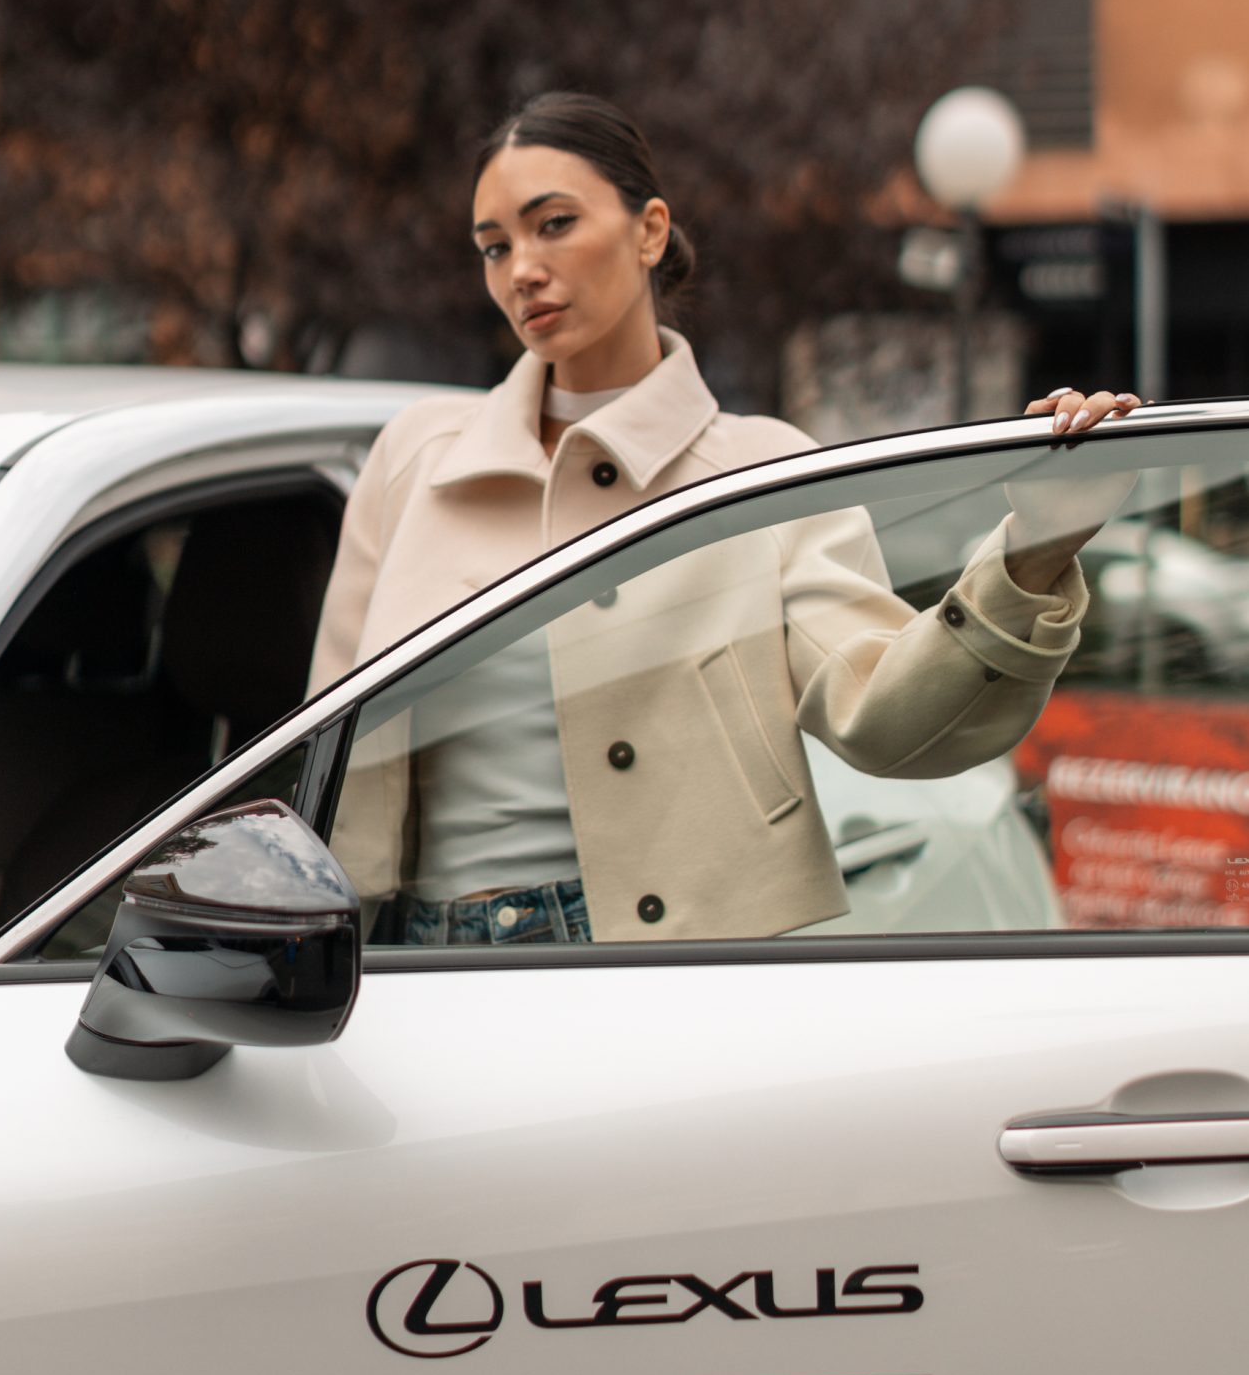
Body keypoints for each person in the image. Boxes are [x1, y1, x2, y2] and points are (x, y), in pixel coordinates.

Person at [310, 93, 1139, 945]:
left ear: (649, 230)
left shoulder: (760, 472)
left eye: (552, 224)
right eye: (493, 246)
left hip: (665, 964)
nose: (520, 267)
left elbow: (889, 717)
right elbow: (327, 743)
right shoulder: (418, 461)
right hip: (420, 962)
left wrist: (1035, 550)